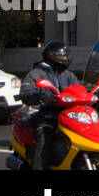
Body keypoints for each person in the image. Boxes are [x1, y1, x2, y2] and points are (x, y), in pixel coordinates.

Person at [20, 42, 81, 170]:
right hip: (45, 115)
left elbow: (79, 89)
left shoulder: (68, 75)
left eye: (66, 56)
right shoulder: (36, 74)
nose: (65, 59)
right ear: (51, 56)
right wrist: (42, 97)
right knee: (44, 137)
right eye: (62, 56)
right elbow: (26, 93)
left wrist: (91, 95)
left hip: (67, 115)